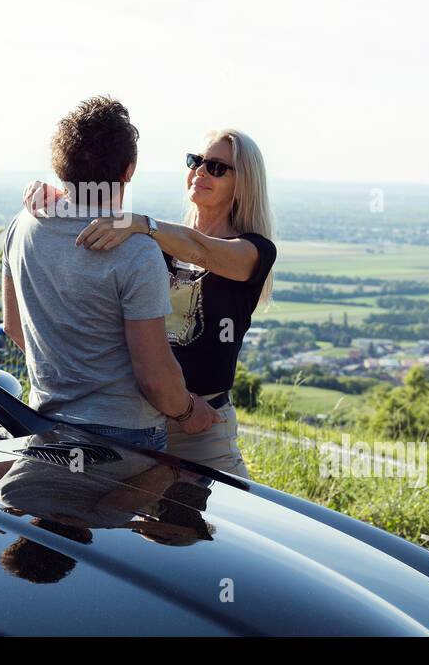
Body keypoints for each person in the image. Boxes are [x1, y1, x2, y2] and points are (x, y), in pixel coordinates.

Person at [24, 129, 276, 477]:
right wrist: (54, 193)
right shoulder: (150, 241)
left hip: (201, 428)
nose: (201, 171)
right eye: (196, 161)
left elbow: (199, 249)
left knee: (212, 529)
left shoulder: (254, 251)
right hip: (134, 423)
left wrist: (141, 223)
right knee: (134, 530)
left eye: (217, 168)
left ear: (244, 184)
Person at [1, 97, 222, 451]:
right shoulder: (135, 250)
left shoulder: (22, 225)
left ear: (60, 164)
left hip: (44, 422)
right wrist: (188, 411)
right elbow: (153, 378)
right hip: (124, 433)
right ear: (128, 171)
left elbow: (13, 327)